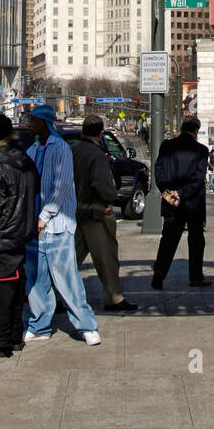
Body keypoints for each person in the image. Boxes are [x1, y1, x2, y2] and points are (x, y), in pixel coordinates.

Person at [24, 107, 101, 345]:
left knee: (67, 278)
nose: (29, 125)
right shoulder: (33, 150)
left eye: (33, 121)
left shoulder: (61, 149)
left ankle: (86, 325)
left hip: (57, 224)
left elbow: (63, 185)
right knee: (37, 280)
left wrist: (45, 215)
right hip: (35, 227)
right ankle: (39, 325)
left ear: (45, 123)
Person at [0, 112, 39, 357]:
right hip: (21, 234)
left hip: (1, 238)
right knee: (15, 286)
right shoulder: (24, 159)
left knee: (0, 291)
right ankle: (14, 334)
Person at [72, 115, 137, 311]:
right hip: (96, 211)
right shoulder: (97, 154)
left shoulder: (72, 150)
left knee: (71, 258)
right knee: (107, 258)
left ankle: (57, 296)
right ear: (100, 134)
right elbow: (103, 184)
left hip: (74, 211)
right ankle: (114, 297)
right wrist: (109, 199)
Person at [151, 117, 210, 289]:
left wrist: (171, 195)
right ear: (195, 131)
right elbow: (198, 179)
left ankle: (159, 274)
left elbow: (158, 172)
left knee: (168, 239)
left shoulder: (166, 146)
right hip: (193, 203)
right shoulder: (201, 150)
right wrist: (182, 195)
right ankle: (196, 276)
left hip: (171, 202)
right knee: (196, 239)